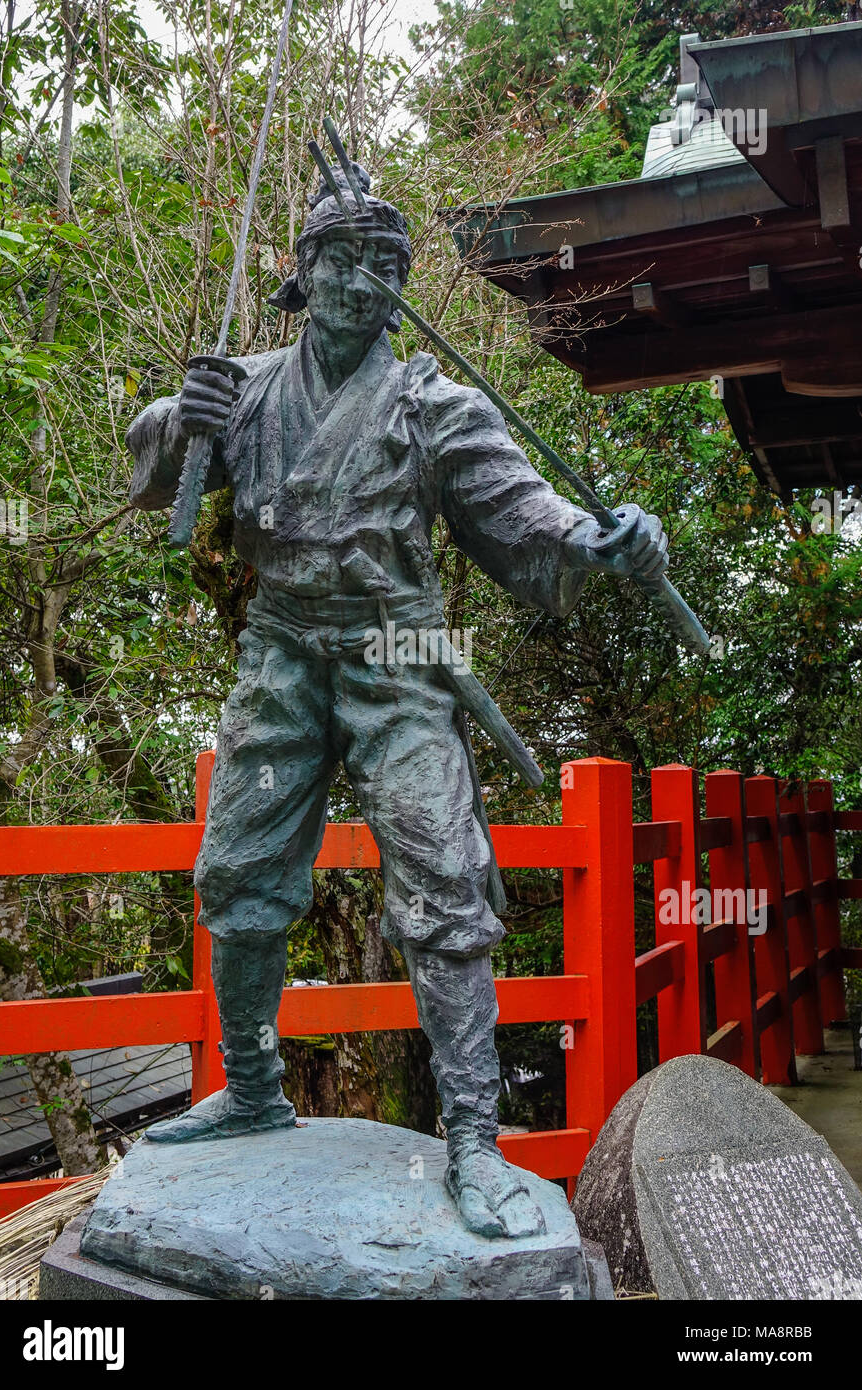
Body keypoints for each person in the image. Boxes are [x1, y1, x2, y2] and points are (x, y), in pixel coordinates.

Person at [126, 163, 668, 1239]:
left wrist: (600, 540)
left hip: (399, 652)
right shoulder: (248, 388)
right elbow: (157, 465)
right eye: (342, 258)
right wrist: (178, 417)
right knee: (237, 872)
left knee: (443, 875)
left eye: (385, 263)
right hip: (281, 649)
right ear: (303, 271)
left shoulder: (433, 403)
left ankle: (473, 1138)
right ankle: (251, 1087)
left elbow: (525, 513)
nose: (362, 280)